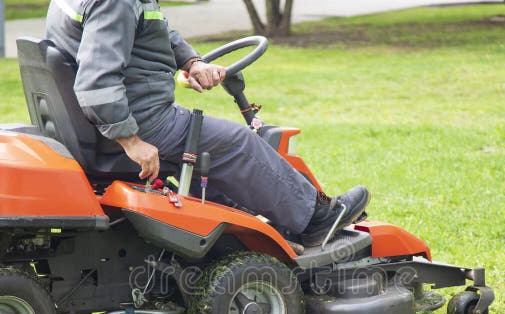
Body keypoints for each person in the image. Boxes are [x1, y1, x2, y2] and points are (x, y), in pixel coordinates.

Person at [45, 0, 370, 247]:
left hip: (108, 121)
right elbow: (97, 82)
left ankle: (248, 233)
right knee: (236, 143)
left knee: (216, 150)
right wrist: (131, 141)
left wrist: (192, 61)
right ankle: (315, 220)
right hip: (141, 122)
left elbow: (151, 27)